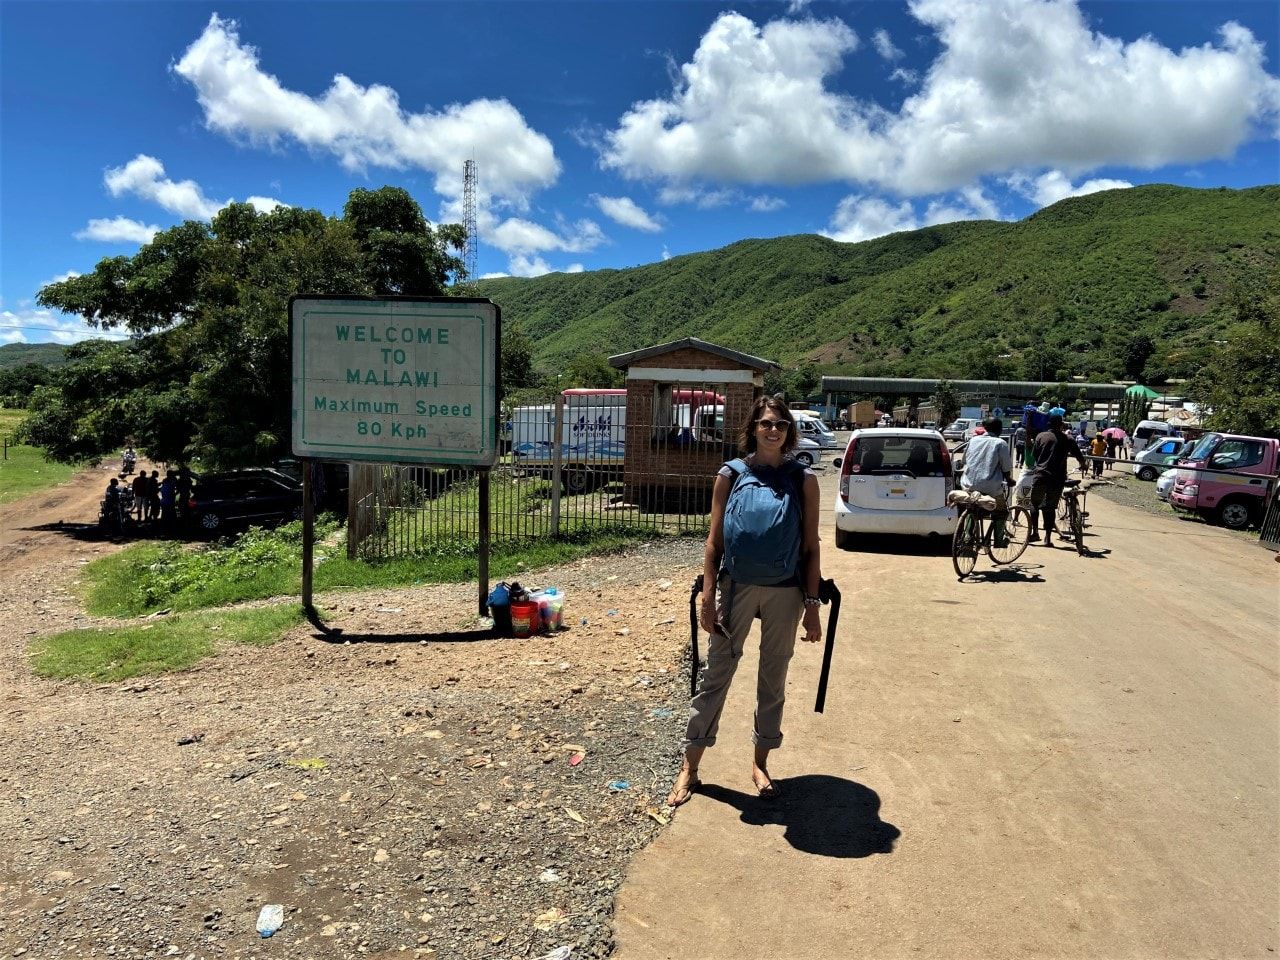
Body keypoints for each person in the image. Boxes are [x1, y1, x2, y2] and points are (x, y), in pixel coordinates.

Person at [666, 396, 823, 807]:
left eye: (781, 425)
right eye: (766, 423)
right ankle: (691, 767)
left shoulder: (803, 479)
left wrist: (811, 607)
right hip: (735, 589)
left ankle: (760, 762)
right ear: (753, 428)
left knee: (772, 680)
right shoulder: (730, 475)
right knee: (716, 675)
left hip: (786, 592)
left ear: (789, 431)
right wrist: (706, 594)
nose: (773, 430)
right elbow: (713, 541)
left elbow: (811, 548)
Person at [1029, 414, 1088, 547]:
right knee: (1050, 507)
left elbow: (1035, 456)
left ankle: (1035, 533)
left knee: (1034, 504)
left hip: (1040, 476)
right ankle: (1048, 538)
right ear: (1061, 425)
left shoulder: (1040, 436)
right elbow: (1079, 457)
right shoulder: (1068, 439)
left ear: (1048, 424)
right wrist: (1083, 465)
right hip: (1057, 479)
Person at [960, 418, 1014, 545]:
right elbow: (1006, 467)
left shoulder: (973, 440)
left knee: (972, 508)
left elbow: (964, 461)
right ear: (1000, 430)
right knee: (1001, 511)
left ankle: (968, 536)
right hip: (991, 487)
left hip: (969, 484)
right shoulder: (1000, 443)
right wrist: (1009, 480)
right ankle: (999, 541)